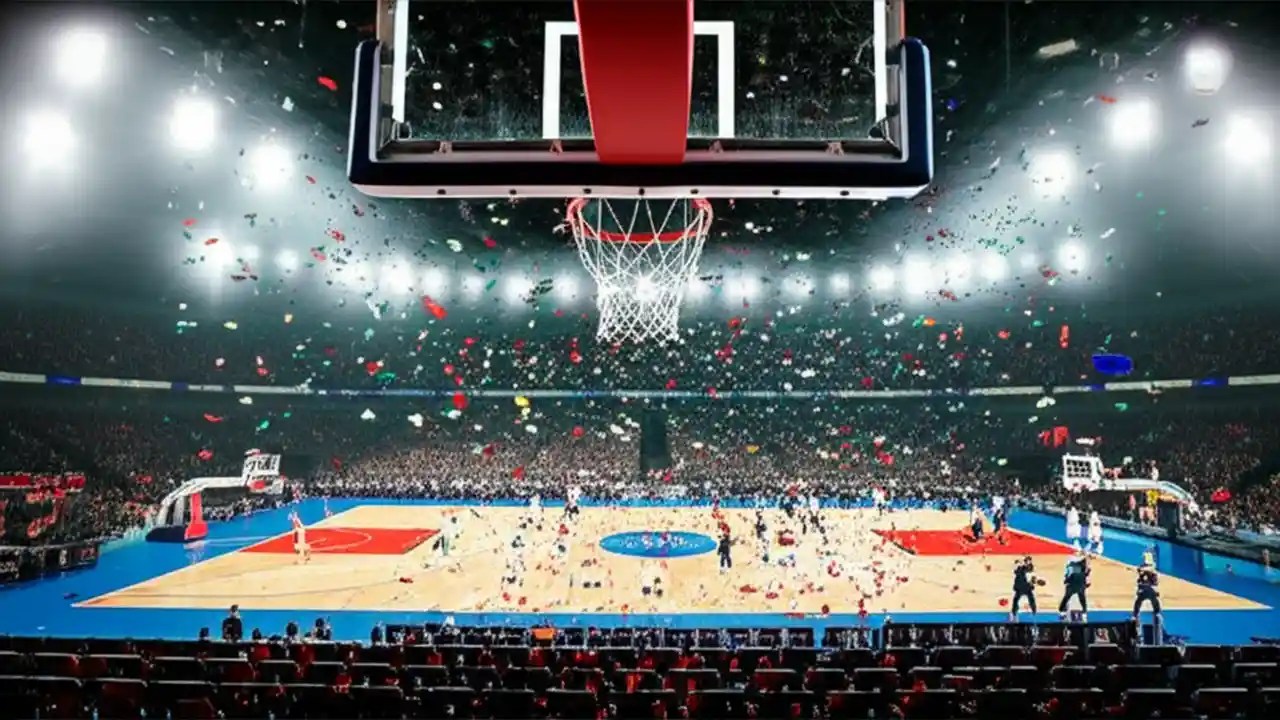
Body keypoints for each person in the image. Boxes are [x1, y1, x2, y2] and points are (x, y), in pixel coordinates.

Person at [1059, 554, 1090, 622]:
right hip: (1080, 585)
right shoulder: (1084, 569)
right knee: (1082, 599)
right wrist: (1087, 583)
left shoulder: (1072, 566)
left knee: (1066, 598)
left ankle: (1062, 612)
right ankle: (1084, 613)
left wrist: (1066, 581)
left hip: (1072, 586)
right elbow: (1087, 576)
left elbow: (1068, 577)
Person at [1009, 556, 1038, 620]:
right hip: (1020, 587)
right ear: (1025, 562)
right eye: (1027, 561)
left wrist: (1033, 583)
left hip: (1026, 587)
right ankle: (1014, 613)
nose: (1028, 562)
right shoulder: (1021, 568)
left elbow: (1032, 577)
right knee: (1016, 600)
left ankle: (1034, 610)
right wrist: (1018, 565)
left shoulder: (1030, 568)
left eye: (1029, 561)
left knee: (1031, 599)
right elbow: (1016, 572)